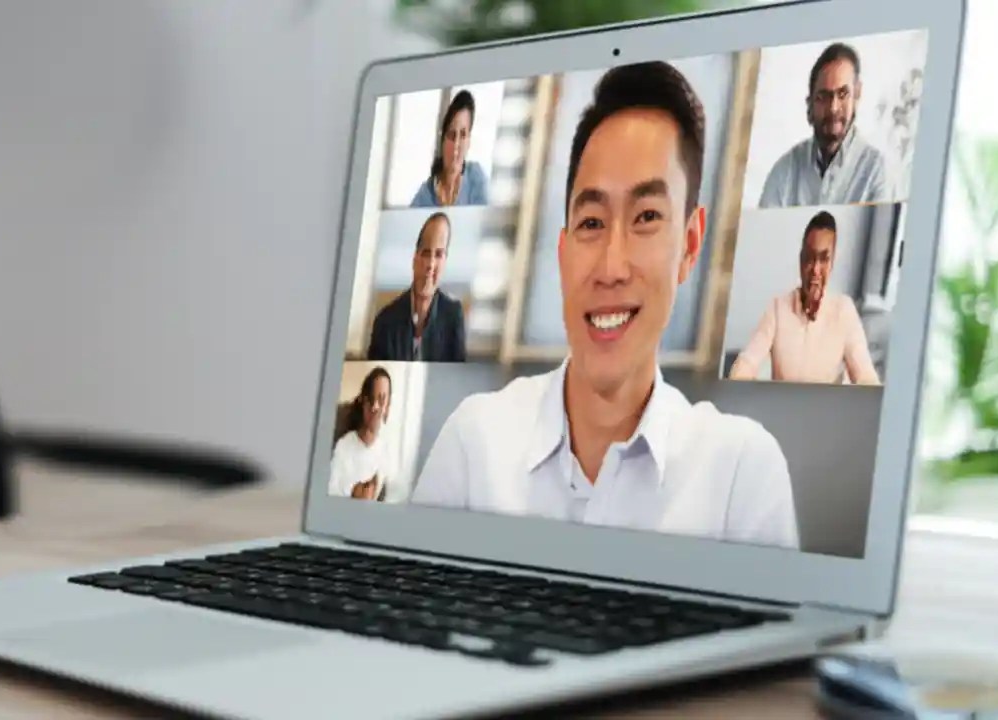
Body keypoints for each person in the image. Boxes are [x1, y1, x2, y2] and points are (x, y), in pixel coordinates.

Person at [411, 62, 799, 549]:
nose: (611, 266)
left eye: (647, 216)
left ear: (690, 244)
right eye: (592, 223)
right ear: (563, 250)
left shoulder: (741, 473)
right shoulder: (475, 441)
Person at [729, 210, 880, 385]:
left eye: (824, 259)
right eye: (810, 258)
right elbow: (747, 361)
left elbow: (866, 377)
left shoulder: (844, 311)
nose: (816, 270)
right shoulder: (778, 307)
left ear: (831, 264)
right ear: (801, 260)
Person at [759, 42, 891, 208]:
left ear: (857, 95)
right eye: (823, 97)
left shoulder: (877, 171)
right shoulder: (784, 171)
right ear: (810, 104)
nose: (833, 108)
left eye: (843, 94)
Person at [367, 212, 467, 362]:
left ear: (445, 262)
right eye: (426, 253)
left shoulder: (453, 316)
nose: (431, 265)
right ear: (415, 258)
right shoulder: (385, 321)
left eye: (438, 255)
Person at [410, 90, 489, 207]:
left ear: (469, 141)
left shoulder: (476, 177)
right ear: (443, 140)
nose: (456, 145)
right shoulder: (425, 195)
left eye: (463, 135)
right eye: (452, 135)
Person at [328, 367, 397, 501]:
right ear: (363, 402)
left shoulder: (387, 453)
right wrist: (354, 494)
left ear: (387, 407)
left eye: (381, 400)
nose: (375, 407)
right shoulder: (344, 446)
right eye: (370, 399)